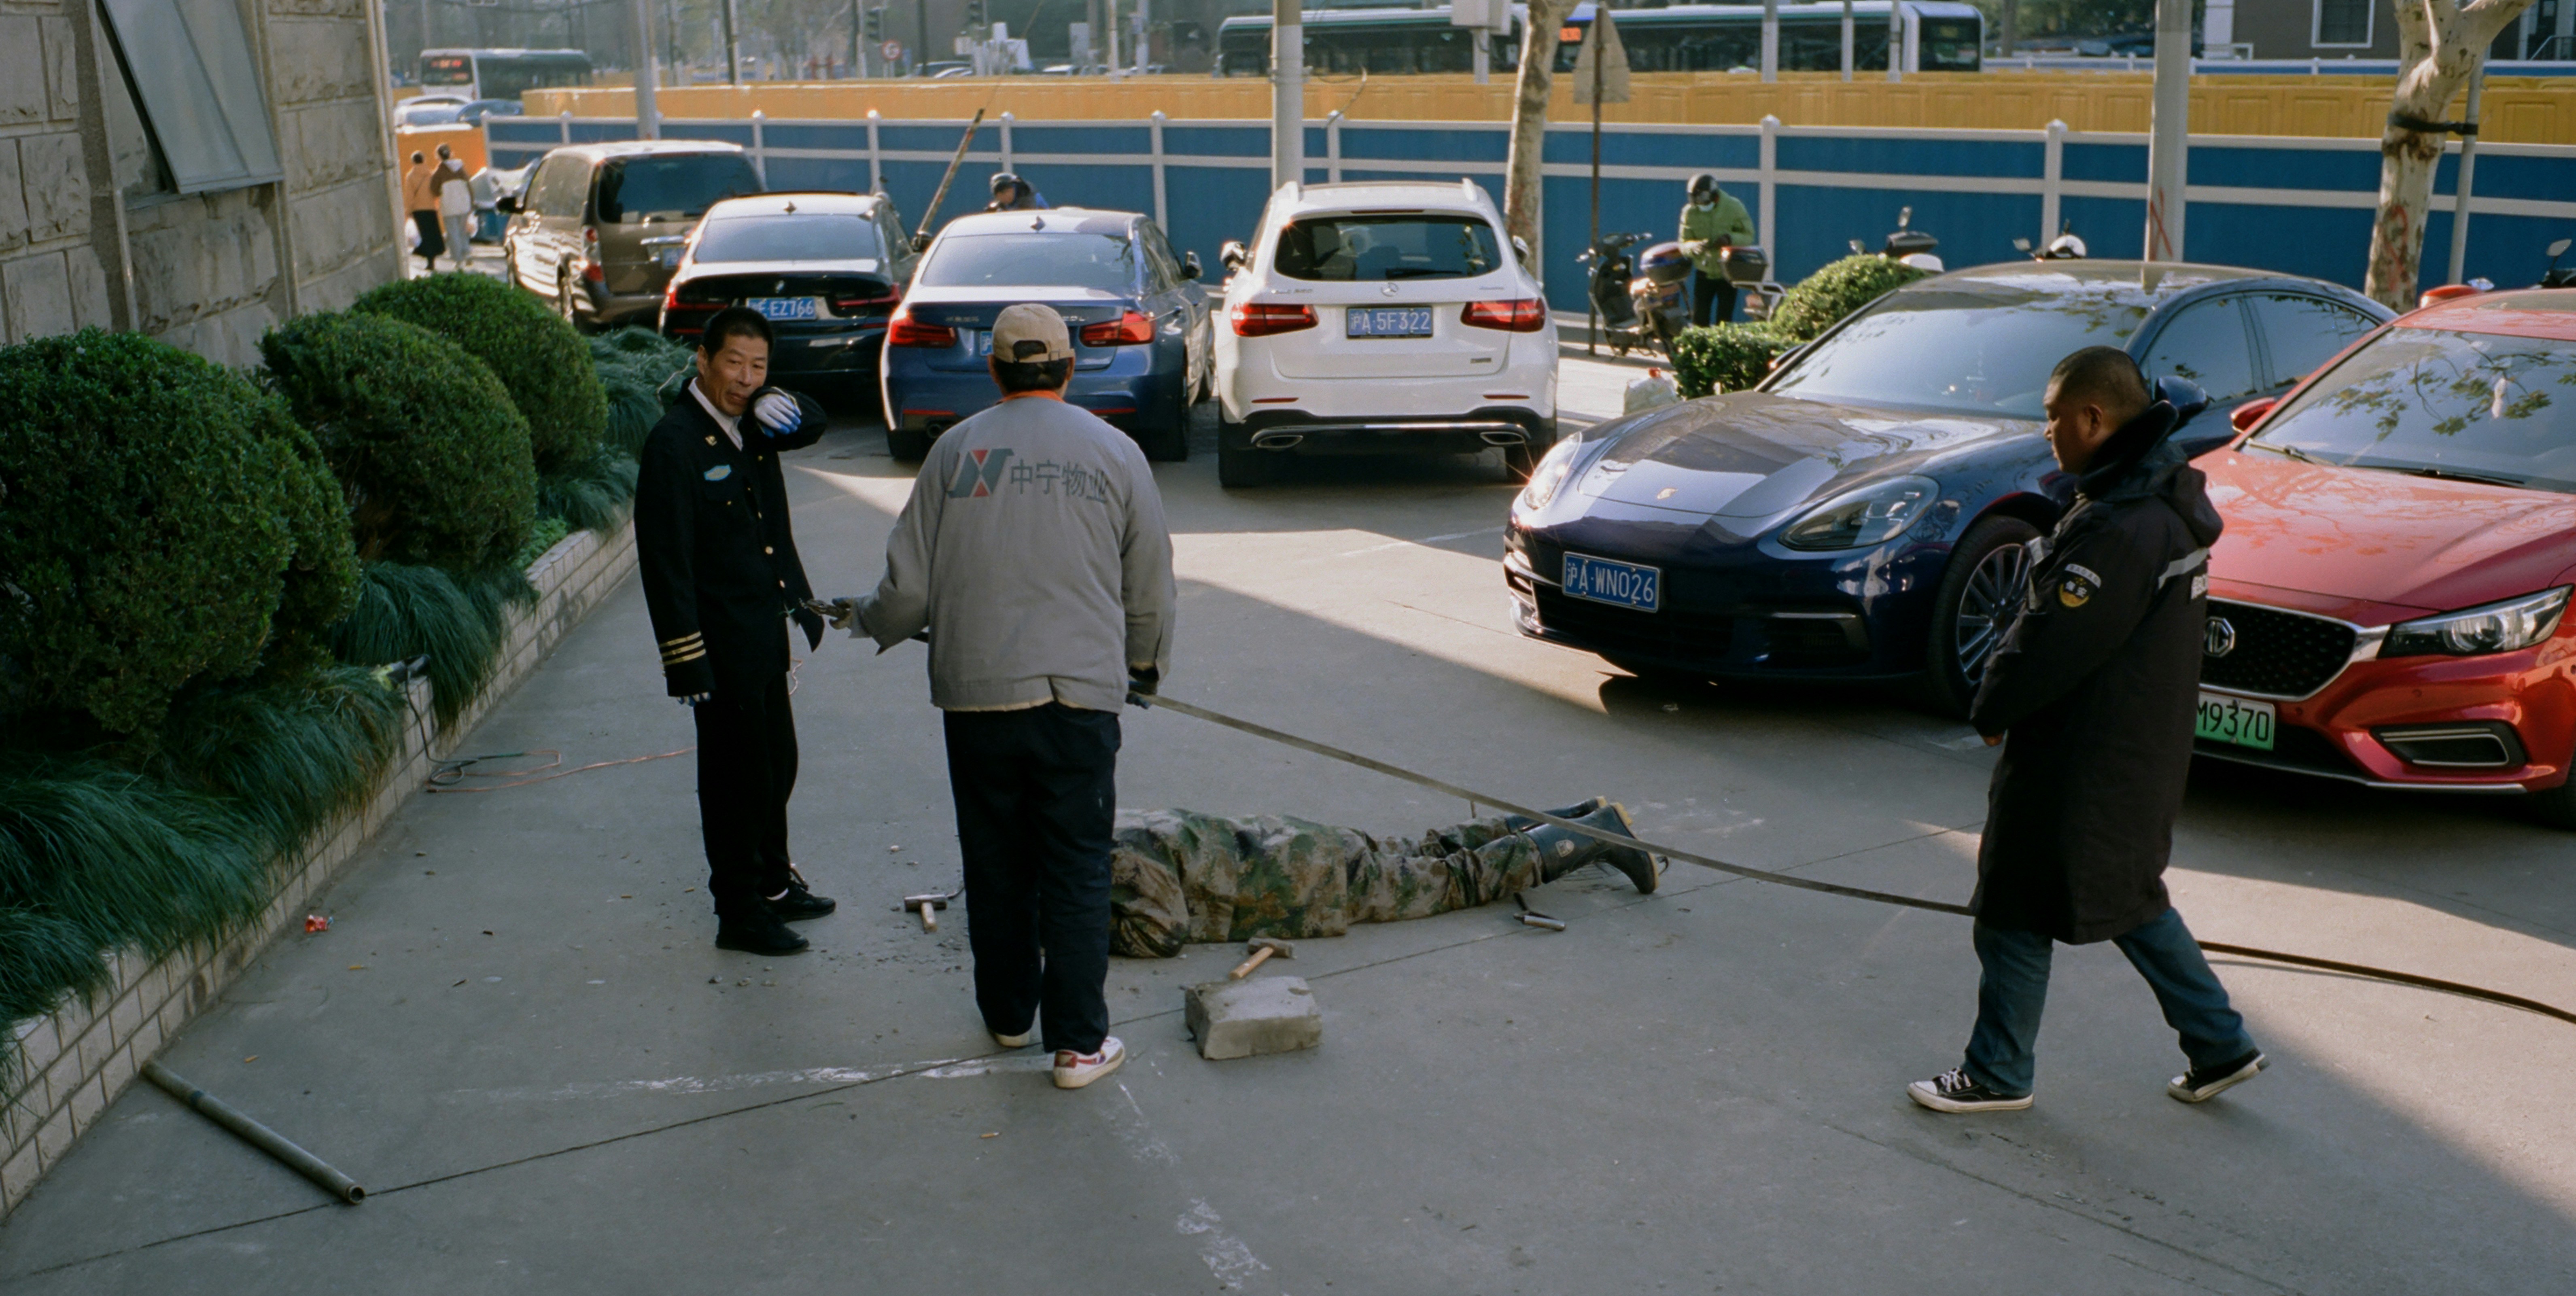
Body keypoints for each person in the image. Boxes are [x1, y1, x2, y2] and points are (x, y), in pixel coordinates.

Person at [1908, 346, 2260, 1115]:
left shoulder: (2117, 528)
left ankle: (1998, 1072)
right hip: (2138, 745)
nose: (2047, 433)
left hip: (2082, 752)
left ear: (2094, 418)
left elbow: (2049, 644)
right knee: (2128, 895)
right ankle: (2221, 1042)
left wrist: (1991, 708)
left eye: (2053, 417)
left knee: (2013, 902)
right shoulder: (2160, 500)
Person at [841, 303, 1174, 1091]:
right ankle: (1078, 1045)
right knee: (1077, 866)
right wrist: (1144, 665)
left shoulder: (956, 452)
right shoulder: (1117, 452)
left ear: (993, 370)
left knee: (995, 860)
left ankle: (1008, 1012)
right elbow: (1151, 585)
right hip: (1080, 700)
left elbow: (908, 591)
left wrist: (867, 623)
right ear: (1067, 367)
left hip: (978, 695)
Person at [634, 306, 835, 956]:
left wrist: (784, 399)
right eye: (734, 364)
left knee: (776, 765)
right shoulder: (676, 443)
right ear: (702, 359)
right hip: (720, 647)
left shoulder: (750, 424)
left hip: (762, 634)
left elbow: (812, 425)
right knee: (734, 781)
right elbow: (666, 565)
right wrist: (685, 661)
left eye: (759, 367)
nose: (745, 379)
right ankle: (739, 909)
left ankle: (775, 885)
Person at [1108, 799, 1660, 959]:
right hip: (1300, 846)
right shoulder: (1104, 820)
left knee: (1455, 879)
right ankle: (1574, 816)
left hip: (1304, 881)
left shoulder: (1109, 860)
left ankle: (1596, 834)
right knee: (1430, 851)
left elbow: (1163, 929)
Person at [1678, 172, 1756, 327]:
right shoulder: (1689, 212)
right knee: (1699, 320)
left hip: (1727, 272)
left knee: (1724, 321)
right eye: (1695, 199)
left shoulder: (1734, 206)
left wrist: (1729, 239)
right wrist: (1693, 247)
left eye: (1702, 198)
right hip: (1704, 272)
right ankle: (1700, 351)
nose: (1700, 203)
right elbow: (1683, 243)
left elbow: (1749, 235)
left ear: (1714, 195)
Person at [433, 145, 475, 272]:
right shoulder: (461, 169)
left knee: (453, 233)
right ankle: (467, 253)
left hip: (449, 206)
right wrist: (472, 203)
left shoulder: (440, 172)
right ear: (451, 153)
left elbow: (434, 190)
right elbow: (470, 186)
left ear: (439, 156)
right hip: (464, 204)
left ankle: (458, 261)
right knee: (463, 231)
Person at [402, 151, 444, 273]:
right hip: (431, 208)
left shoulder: (411, 176)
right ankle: (432, 259)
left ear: (413, 162)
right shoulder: (431, 174)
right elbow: (436, 192)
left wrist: (408, 210)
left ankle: (428, 260)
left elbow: (409, 196)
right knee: (432, 235)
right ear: (424, 160)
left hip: (418, 210)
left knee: (423, 236)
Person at [985, 172, 1049, 212]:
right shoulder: (1002, 202)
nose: (1000, 200)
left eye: (1001, 197)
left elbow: (1025, 216)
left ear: (1010, 190)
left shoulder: (1028, 195)